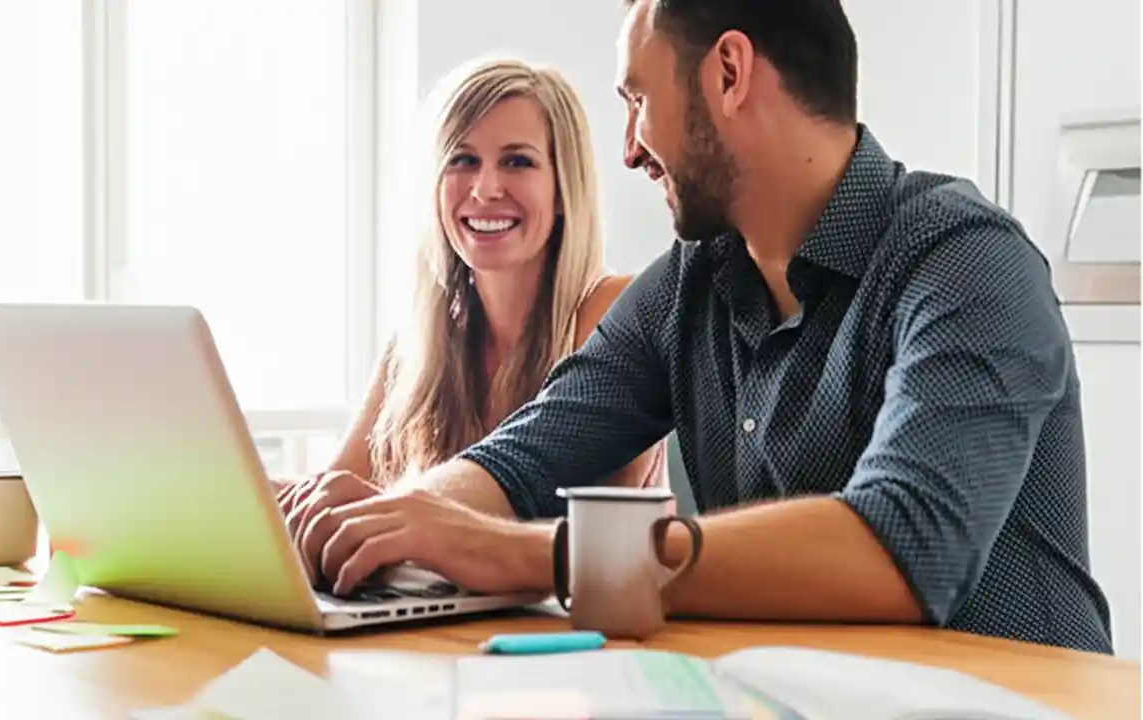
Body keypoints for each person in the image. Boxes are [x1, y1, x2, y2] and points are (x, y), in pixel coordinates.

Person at [284, 0, 1112, 654]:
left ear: (728, 71)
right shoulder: (689, 287)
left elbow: (906, 546)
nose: (631, 149)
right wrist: (398, 525)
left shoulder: (966, 259)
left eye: (638, 99)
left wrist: (520, 553)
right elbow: (521, 459)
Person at [279, 57, 666, 584]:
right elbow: (334, 494)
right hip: (445, 636)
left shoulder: (615, 313)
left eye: (517, 162)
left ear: (563, 190)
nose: (484, 189)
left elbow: (588, 526)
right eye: (461, 160)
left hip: (582, 637)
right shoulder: (418, 341)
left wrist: (396, 516)